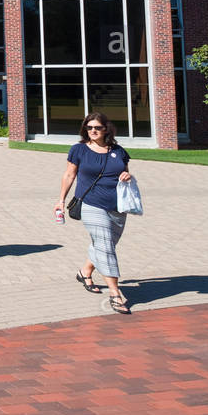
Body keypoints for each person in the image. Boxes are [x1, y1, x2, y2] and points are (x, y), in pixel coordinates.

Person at [57, 112, 135, 314]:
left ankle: (85, 272)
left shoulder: (118, 151)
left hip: (117, 206)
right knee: (105, 246)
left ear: (106, 129)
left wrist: (127, 175)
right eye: (89, 127)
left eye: (97, 127)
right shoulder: (79, 150)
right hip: (92, 204)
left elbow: (124, 172)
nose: (93, 130)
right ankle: (115, 293)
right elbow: (69, 174)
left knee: (104, 244)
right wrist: (61, 200)